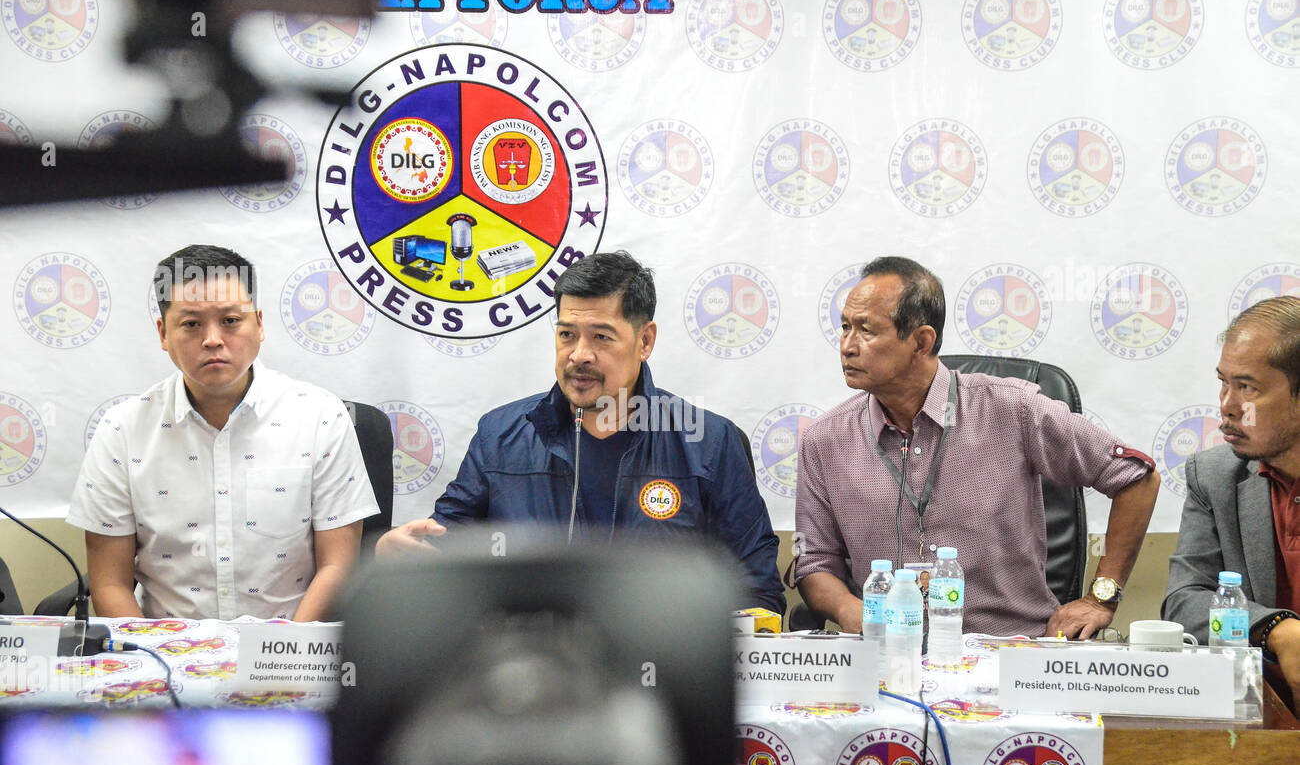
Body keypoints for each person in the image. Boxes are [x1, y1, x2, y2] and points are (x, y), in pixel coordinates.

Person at [377, 250, 785, 614]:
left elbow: (757, 592)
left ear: (645, 341)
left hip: (659, 675)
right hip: (529, 672)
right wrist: (399, 555)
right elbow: (444, 555)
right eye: (567, 334)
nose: (579, 355)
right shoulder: (500, 437)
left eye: (601, 337)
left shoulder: (709, 443)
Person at [795, 255, 1160, 639]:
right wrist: (847, 608)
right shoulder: (825, 441)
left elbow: (1137, 478)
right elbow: (815, 562)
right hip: (891, 655)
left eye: (866, 330)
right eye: (845, 327)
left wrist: (1101, 597)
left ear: (921, 341)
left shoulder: (1013, 410)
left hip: (1012, 650)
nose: (847, 346)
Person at [66, 244, 378, 622]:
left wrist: (281, 657)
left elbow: (338, 567)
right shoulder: (121, 431)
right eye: (192, 324)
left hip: (292, 653)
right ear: (164, 333)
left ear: (260, 325)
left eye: (230, 320)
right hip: (166, 653)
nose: (212, 339)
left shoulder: (321, 417)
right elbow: (110, 583)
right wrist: (155, 660)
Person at [1164, 295, 1300, 702]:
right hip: (1259, 712)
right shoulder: (1214, 475)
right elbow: (1184, 601)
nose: (1227, 407)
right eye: (1224, 382)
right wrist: (1276, 628)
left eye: (1247, 387)